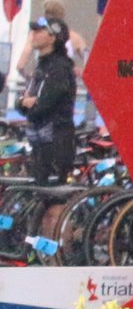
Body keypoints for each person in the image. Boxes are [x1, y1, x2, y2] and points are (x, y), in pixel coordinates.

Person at [16, 15, 76, 185]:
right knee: (40, 199)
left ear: (53, 37)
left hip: (56, 145)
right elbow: (21, 102)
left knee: (53, 203)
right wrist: (23, 102)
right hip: (39, 147)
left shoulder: (59, 68)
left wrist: (29, 104)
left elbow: (42, 106)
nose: (33, 34)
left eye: (39, 31)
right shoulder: (41, 66)